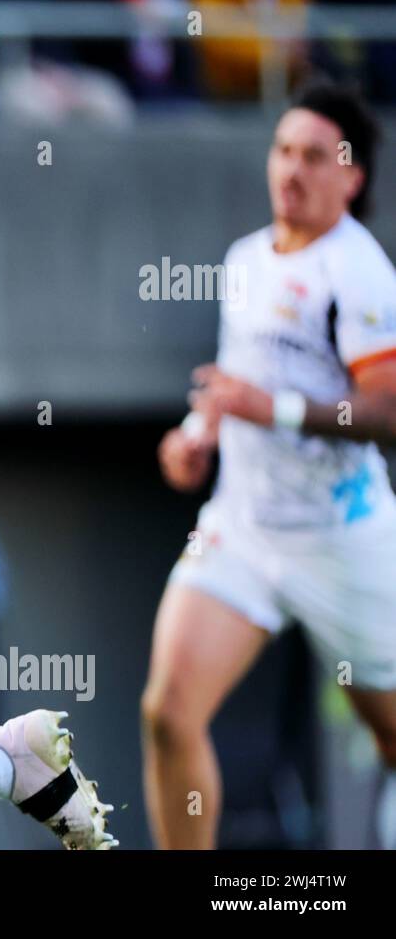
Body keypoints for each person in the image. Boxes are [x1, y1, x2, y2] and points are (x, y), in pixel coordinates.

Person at [145, 83, 396, 849]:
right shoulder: (246, 259)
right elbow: (236, 383)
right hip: (244, 530)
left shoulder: (359, 273)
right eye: (283, 150)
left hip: (342, 536)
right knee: (168, 712)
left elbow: (385, 413)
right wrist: (195, 435)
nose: (292, 170)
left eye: (315, 156)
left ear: (351, 177)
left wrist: (275, 408)